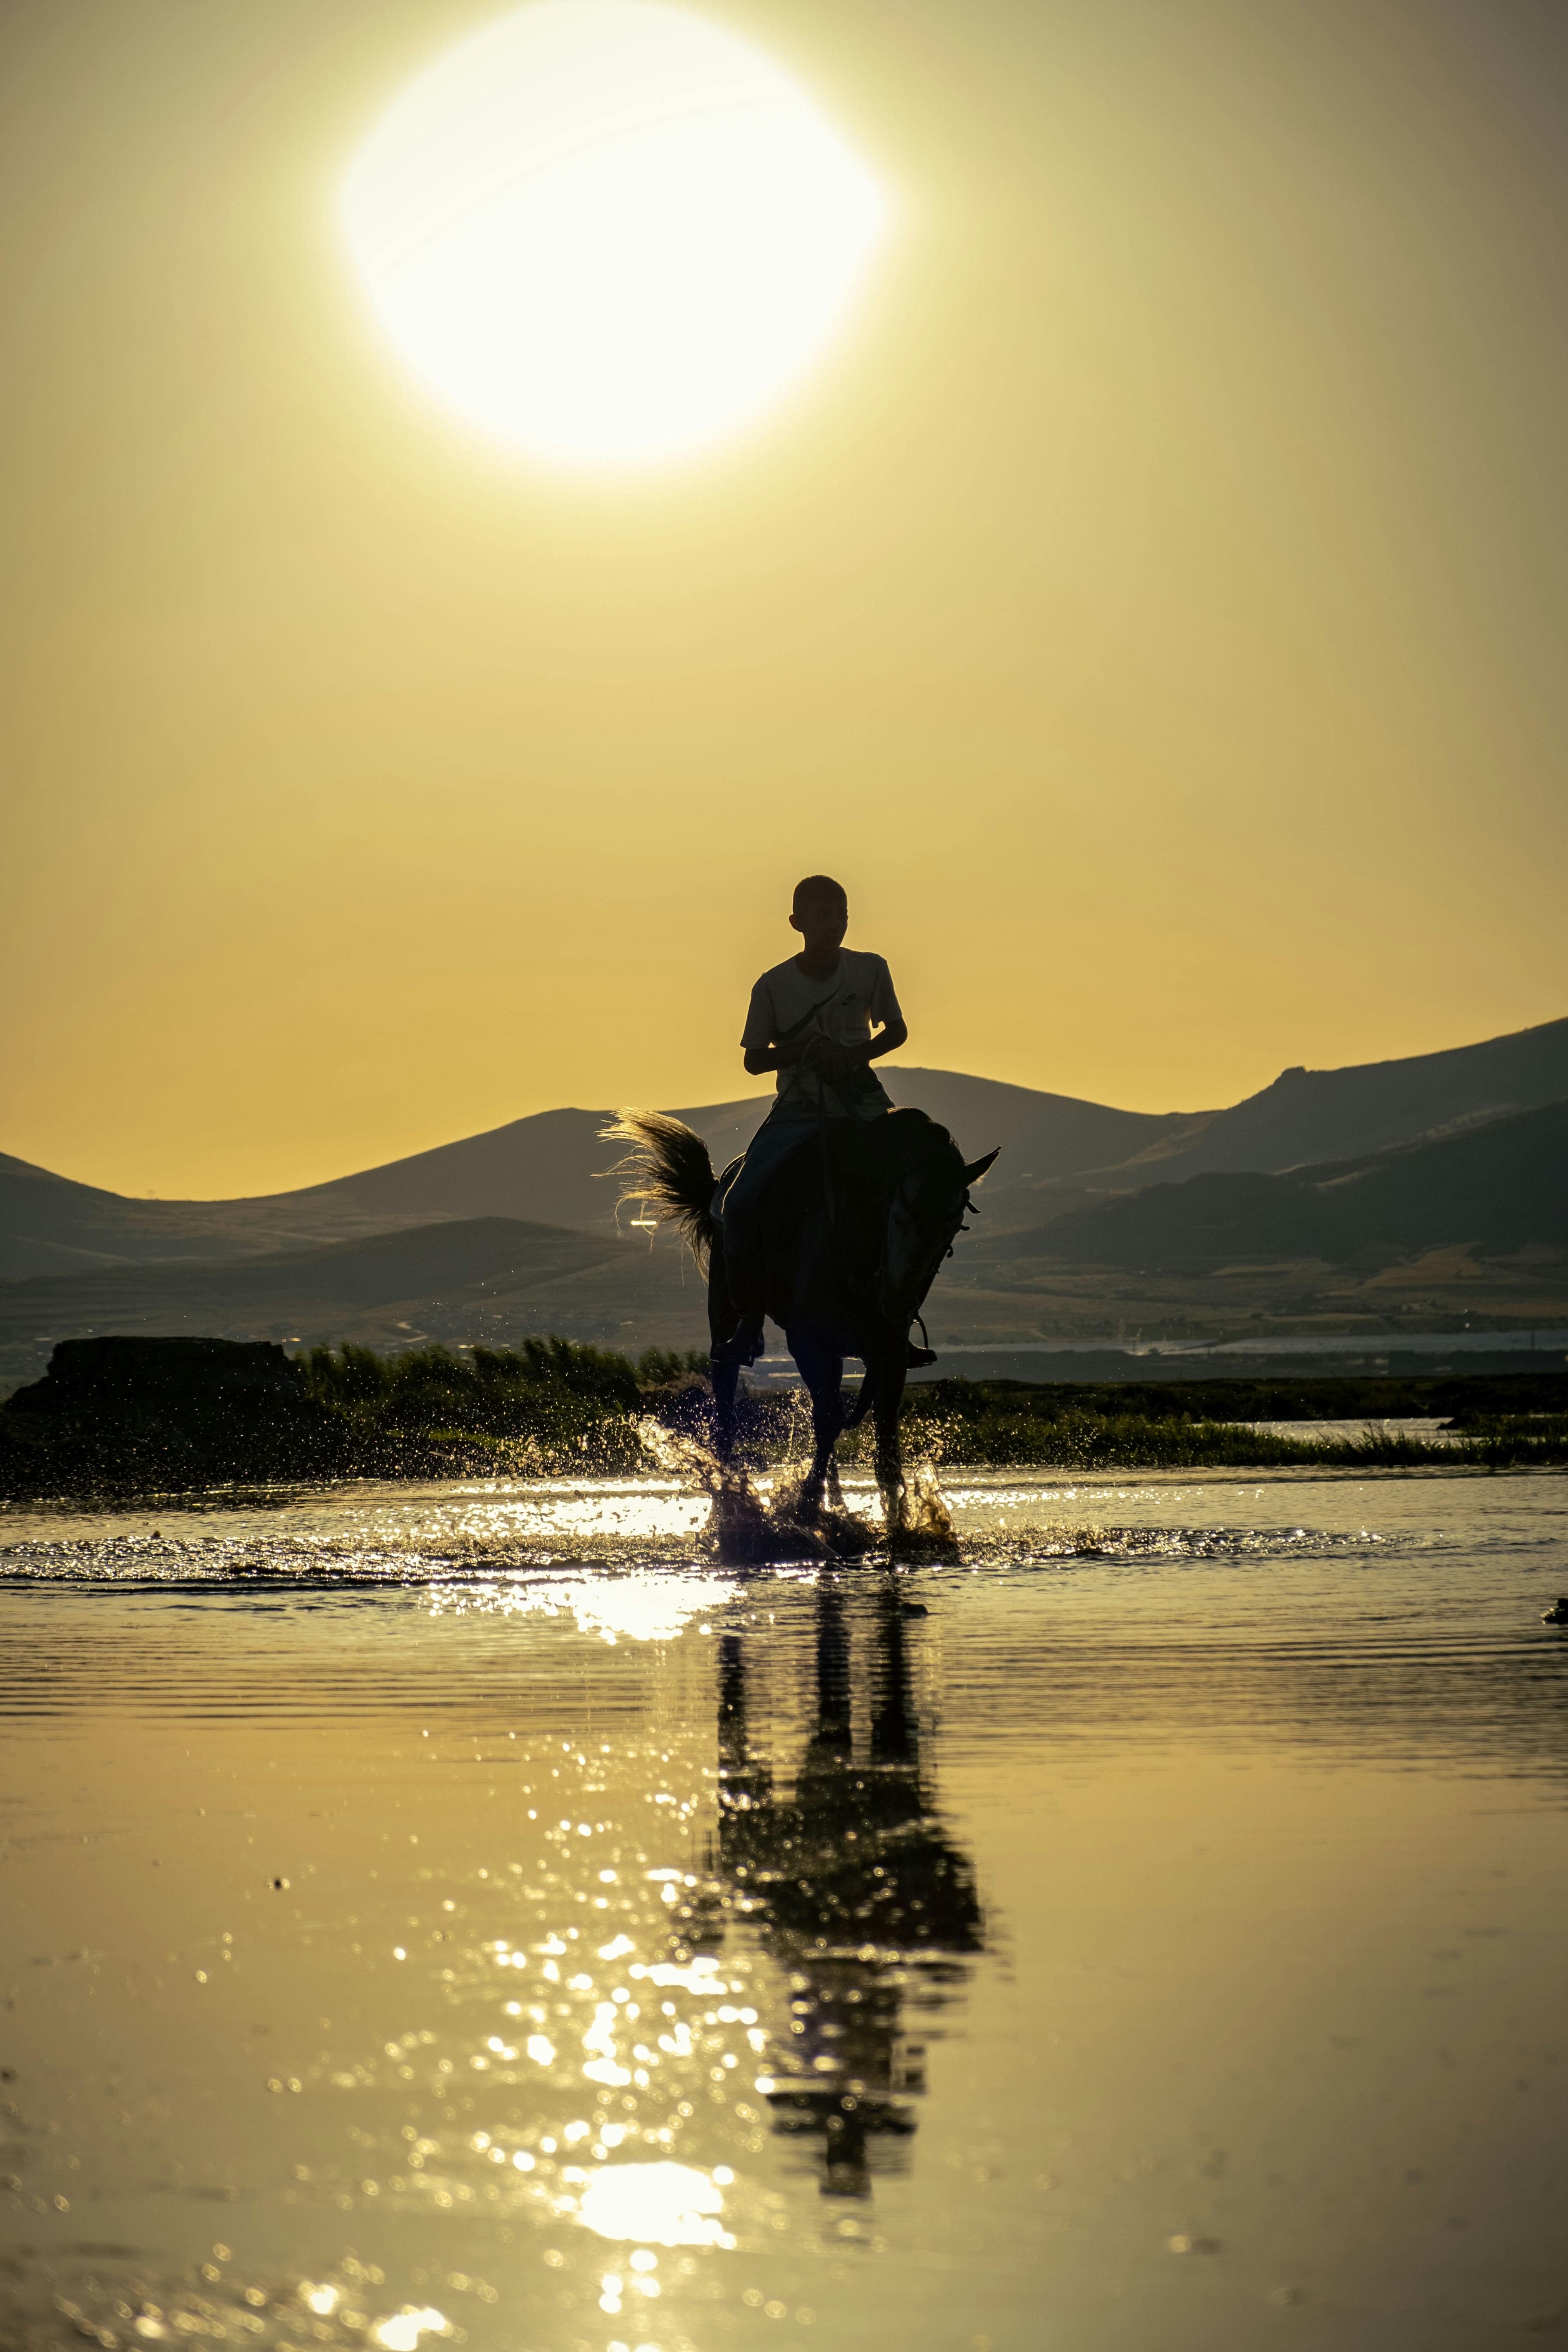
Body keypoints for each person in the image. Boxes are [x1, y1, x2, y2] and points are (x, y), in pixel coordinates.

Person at [714, 874, 908, 1355]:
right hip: (798, 1110)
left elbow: (897, 1030)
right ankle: (749, 1323)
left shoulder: (871, 969)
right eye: (824, 915)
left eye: (842, 914)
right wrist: (803, 1051)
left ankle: (900, 1316)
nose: (835, 924)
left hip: (864, 1103)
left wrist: (855, 1055)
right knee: (738, 1204)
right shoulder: (773, 985)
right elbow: (754, 1059)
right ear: (797, 922)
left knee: (917, 1187)